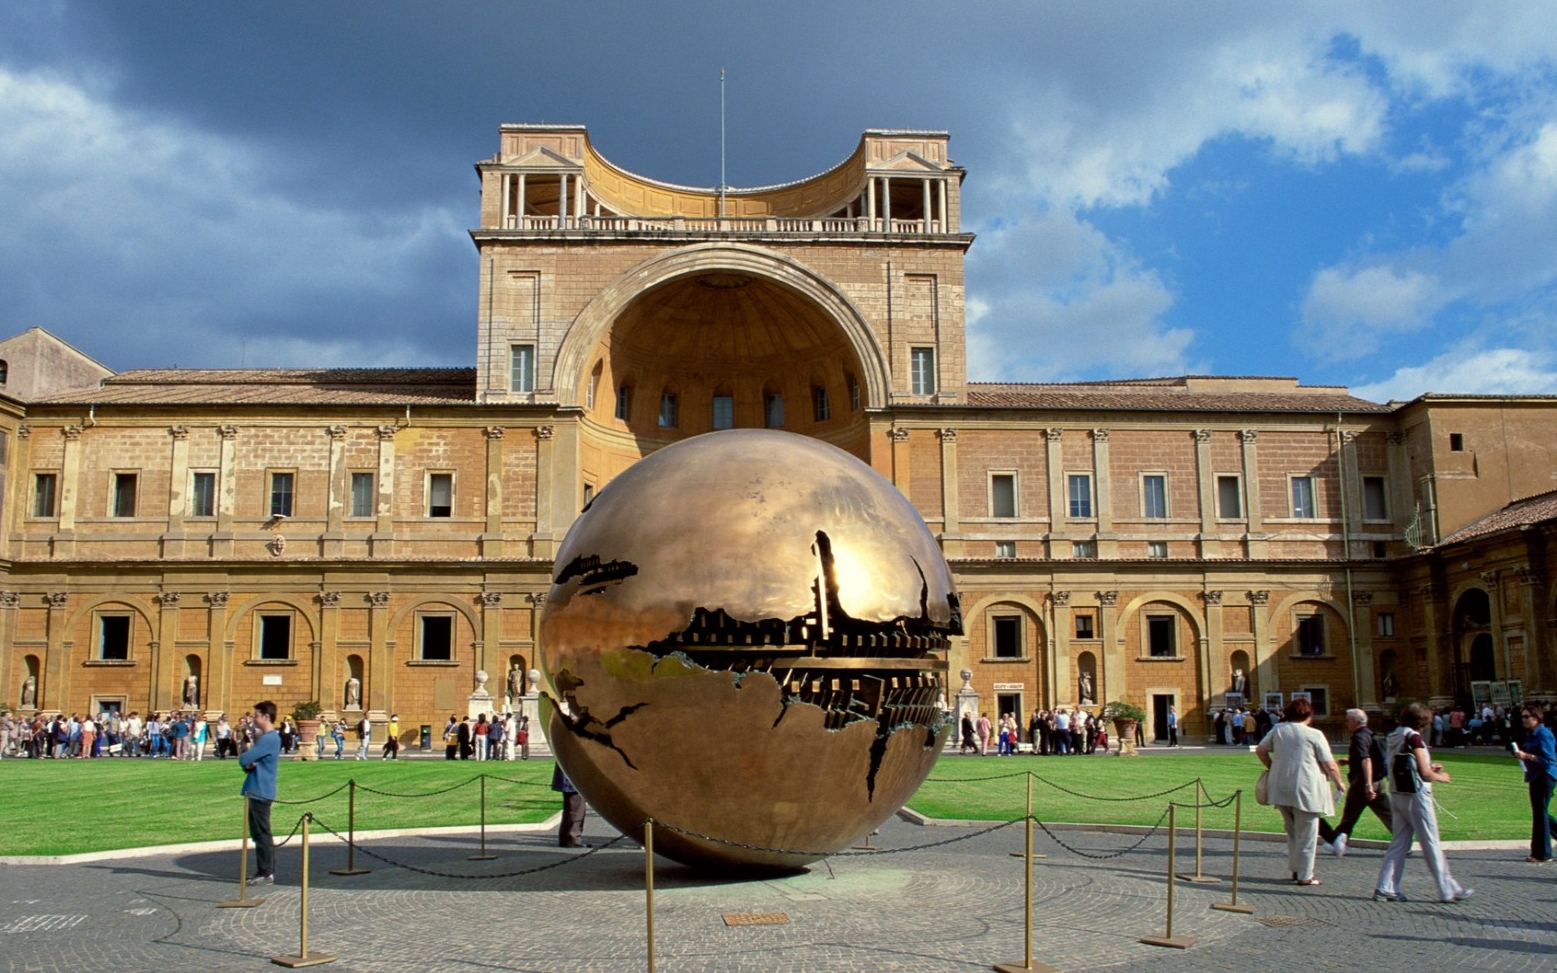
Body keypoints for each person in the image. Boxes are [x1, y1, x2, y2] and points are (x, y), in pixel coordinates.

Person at [1374, 701, 1471, 902]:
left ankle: (1386, 886)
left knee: (1399, 843)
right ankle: (1447, 889)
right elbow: (1425, 773)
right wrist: (1439, 776)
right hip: (1416, 796)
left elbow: (1405, 763)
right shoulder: (1414, 738)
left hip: (1397, 792)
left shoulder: (1394, 735)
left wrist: (1427, 767)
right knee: (1430, 842)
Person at [1256, 696, 1344, 886]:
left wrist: (1272, 766)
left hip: (1280, 787)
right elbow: (1329, 763)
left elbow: (1261, 750)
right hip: (1306, 788)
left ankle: (1296, 870)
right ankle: (1305, 875)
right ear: (1309, 715)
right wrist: (1339, 782)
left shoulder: (1278, 730)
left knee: (1292, 832)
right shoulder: (1314, 734)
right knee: (1307, 834)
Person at [1318, 708, 1393, 857]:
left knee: (1350, 814)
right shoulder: (1370, 734)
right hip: (1377, 781)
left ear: (1355, 721)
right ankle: (1403, 841)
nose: (1346, 723)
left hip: (1363, 782)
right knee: (1386, 813)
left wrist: (1367, 785)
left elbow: (1366, 759)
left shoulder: (1359, 737)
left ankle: (1336, 840)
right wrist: (1349, 761)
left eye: (1347, 720)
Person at [238, 700, 281, 885]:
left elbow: (245, 759)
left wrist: (248, 754)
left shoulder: (269, 738)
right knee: (258, 833)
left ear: (265, 716)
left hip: (260, 791)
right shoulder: (267, 738)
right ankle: (263, 870)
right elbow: (249, 763)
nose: (254, 719)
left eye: (256, 715)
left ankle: (266, 872)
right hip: (258, 789)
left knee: (262, 833)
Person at [1511, 702, 1557, 863]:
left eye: (1526, 717)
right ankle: (1540, 851)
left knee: (1541, 814)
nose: (1523, 720)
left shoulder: (1544, 734)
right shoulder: (1532, 734)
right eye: (1522, 717)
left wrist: (1527, 756)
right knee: (1540, 812)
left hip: (1545, 776)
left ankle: (1543, 854)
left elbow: (1549, 760)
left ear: (1537, 718)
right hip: (1535, 776)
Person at [551, 763, 587, 847]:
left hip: (568, 774)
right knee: (577, 809)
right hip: (574, 776)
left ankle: (566, 839)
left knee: (569, 809)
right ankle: (573, 838)